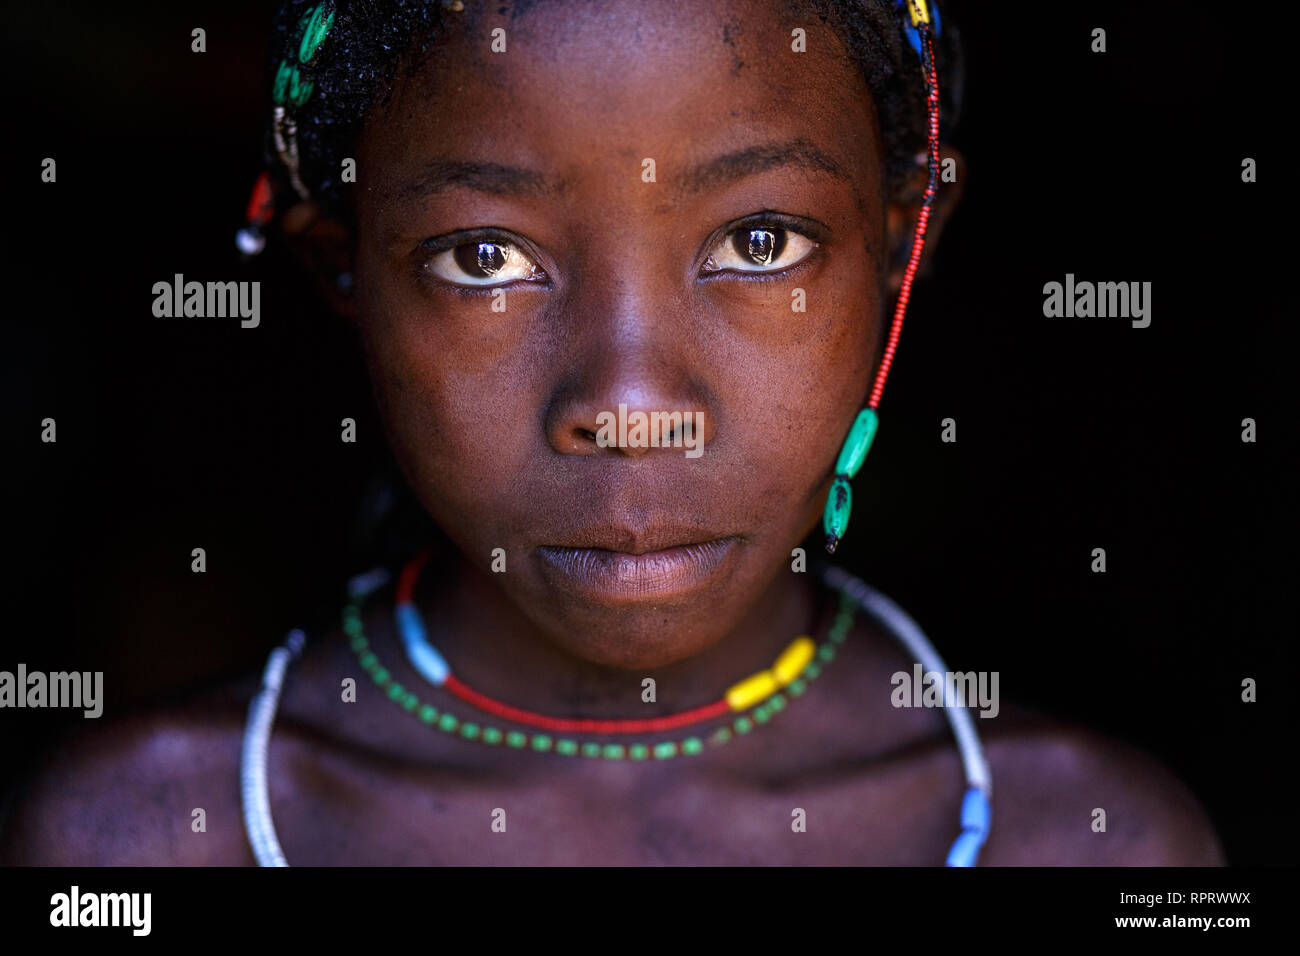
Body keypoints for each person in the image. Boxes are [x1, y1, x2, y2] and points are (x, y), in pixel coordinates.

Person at [1, 0, 1223, 865]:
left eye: (760, 242)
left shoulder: (1080, 839)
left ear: (902, 245)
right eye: (486, 255)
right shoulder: (146, 841)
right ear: (347, 269)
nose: (630, 402)